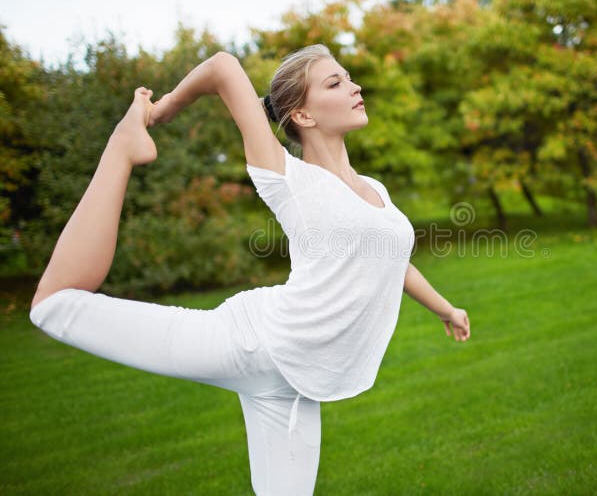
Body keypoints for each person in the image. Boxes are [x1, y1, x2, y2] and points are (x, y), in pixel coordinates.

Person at [28, 43, 470, 495]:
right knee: (54, 306)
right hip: (250, 344)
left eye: (349, 78)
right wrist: (161, 112)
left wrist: (444, 308)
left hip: (294, 386)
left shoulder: (373, 188)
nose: (355, 86)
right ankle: (122, 146)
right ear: (303, 116)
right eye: (335, 83)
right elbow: (222, 67)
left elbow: (391, 262)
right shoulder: (288, 178)